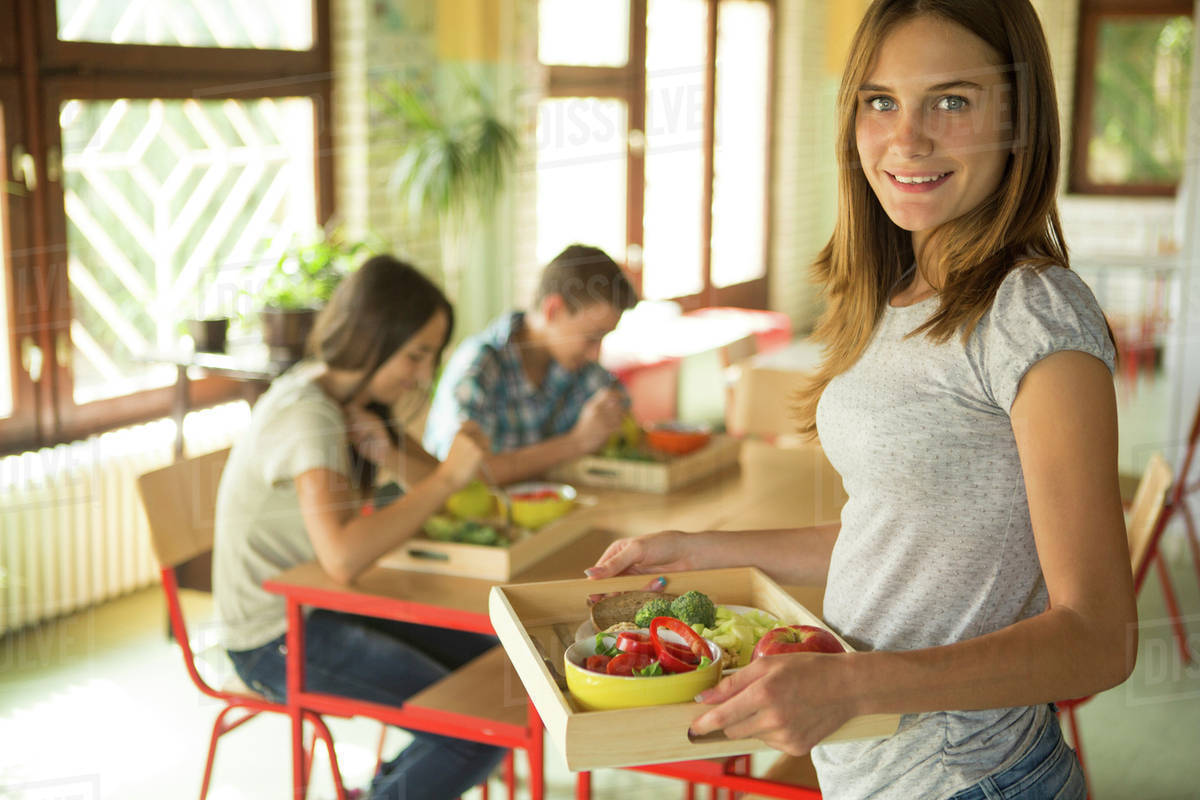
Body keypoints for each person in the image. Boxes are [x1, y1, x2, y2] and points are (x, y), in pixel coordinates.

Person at [586, 2, 1133, 798]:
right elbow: (897, 535)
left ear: (1018, 122)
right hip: (872, 772)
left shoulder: (1033, 313)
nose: (906, 140)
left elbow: (1100, 640)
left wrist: (852, 685)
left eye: (952, 101)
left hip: (970, 780)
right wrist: (711, 551)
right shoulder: (898, 293)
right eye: (880, 101)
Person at [214, 254, 507, 799]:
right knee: (480, 726)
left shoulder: (352, 401)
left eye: (431, 357)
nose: (423, 375)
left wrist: (394, 452)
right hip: (272, 636)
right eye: (415, 356)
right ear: (370, 337)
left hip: (326, 605)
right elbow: (344, 558)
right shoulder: (310, 414)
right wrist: (444, 480)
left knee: (509, 673)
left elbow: (466, 500)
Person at [422, 244, 639, 484]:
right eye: (592, 338)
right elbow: (463, 474)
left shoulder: (577, 366)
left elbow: (625, 414)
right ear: (553, 310)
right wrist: (576, 443)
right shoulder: (479, 368)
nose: (596, 354)